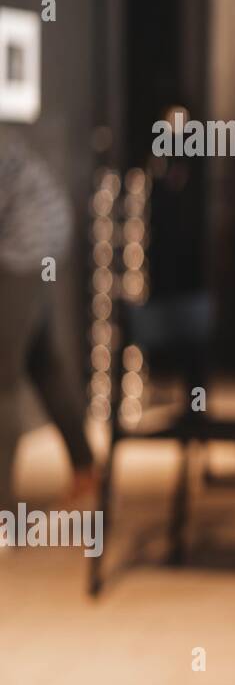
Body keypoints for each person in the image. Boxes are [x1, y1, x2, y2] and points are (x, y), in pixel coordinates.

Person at [0, 144, 97, 548]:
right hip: (43, 243)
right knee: (43, 362)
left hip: (25, 246)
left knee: (2, 379)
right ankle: (86, 466)